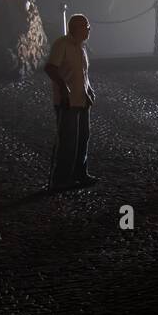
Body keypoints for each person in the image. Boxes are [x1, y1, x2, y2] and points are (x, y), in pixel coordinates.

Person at [45, 13, 98, 189]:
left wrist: (89, 90)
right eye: (86, 27)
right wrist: (63, 88)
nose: (89, 30)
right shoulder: (62, 45)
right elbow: (51, 68)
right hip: (67, 101)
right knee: (68, 141)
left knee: (83, 138)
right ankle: (60, 179)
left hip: (82, 99)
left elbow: (83, 73)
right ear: (76, 28)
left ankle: (79, 174)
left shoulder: (81, 47)